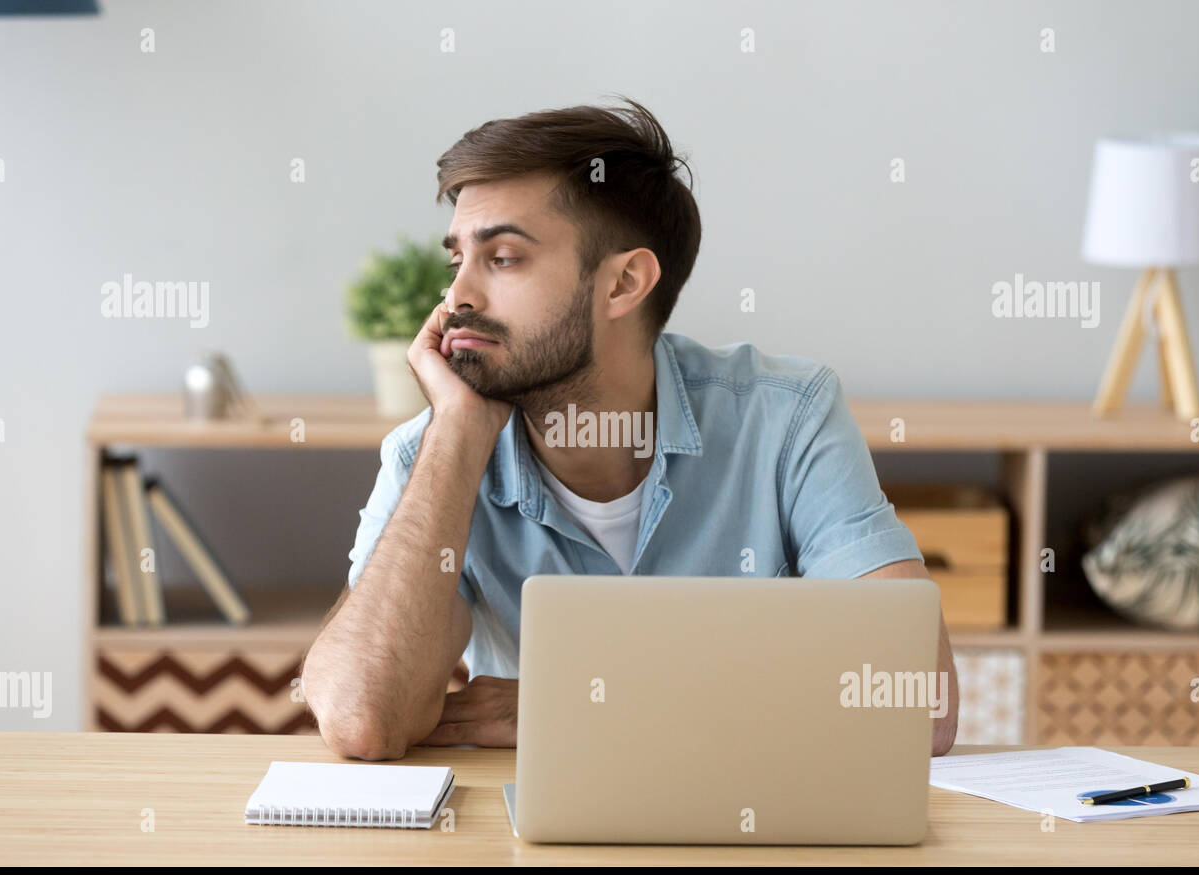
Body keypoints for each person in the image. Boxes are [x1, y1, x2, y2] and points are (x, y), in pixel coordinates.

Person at [301, 96, 958, 760]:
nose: (456, 299)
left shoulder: (785, 418)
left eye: (502, 258)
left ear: (622, 284)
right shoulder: (433, 451)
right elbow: (362, 718)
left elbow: (914, 702)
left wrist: (588, 701)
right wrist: (457, 435)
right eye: (456, 262)